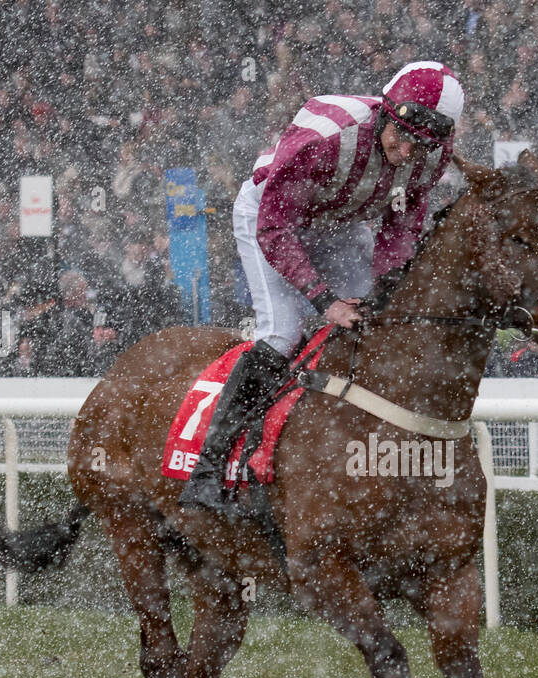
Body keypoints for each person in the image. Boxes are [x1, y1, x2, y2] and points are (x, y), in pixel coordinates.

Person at [180, 62, 464, 512]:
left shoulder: (434, 152)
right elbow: (275, 228)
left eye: (422, 143)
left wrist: (385, 289)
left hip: (338, 222)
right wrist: (324, 300)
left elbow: (400, 226)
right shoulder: (330, 135)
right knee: (283, 332)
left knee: (371, 322)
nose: (408, 150)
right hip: (272, 216)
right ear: (385, 115)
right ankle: (207, 473)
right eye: (402, 135)